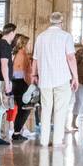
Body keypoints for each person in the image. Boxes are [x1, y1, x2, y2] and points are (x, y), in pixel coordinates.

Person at [31, 11, 78, 148]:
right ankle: (57, 140)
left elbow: (35, 59)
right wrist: (75, 76)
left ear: (50, 21)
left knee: (45, 110)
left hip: (45, 79)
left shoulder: (40, 37)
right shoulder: (66, 36)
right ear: (61, 22)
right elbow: (70, 57)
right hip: (62, 78)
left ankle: (44, 141)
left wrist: (34, 75)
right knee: (60, 110)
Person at [10, 33, 34, 140]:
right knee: (25, 108)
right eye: (28, 43)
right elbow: (23, 72)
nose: (29, 45)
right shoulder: (22, 53)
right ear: (24, 44)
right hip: (20, 83)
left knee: (21, 108)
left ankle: (17, 132)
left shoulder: (16, 52)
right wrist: (30, 85)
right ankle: (16, 133)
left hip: (15, 82)